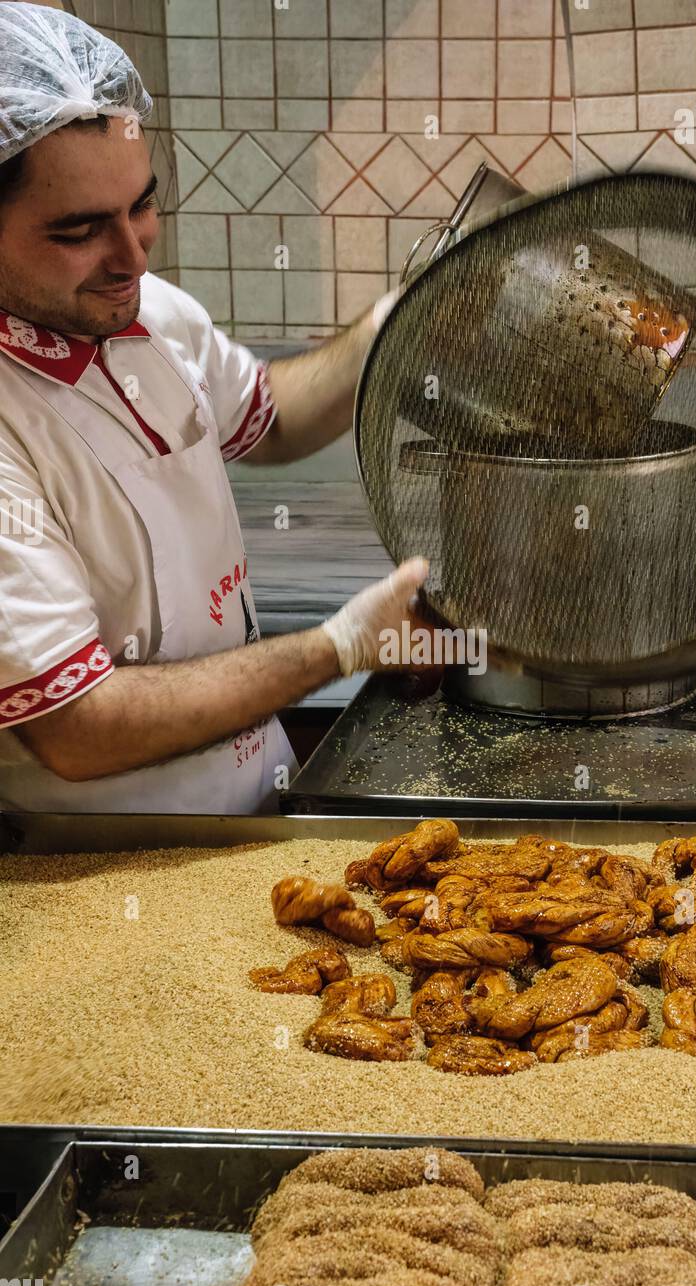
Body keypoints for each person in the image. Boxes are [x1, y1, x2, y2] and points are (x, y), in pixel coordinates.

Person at [0, 3, 432, 813]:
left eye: (141, 206)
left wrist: (389, 328)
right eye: (80, 230)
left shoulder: (144, 308)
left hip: (256, 810)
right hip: (101, 871)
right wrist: (337, 646)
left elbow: (268, 417)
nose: (132, 254)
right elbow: (80, 729)